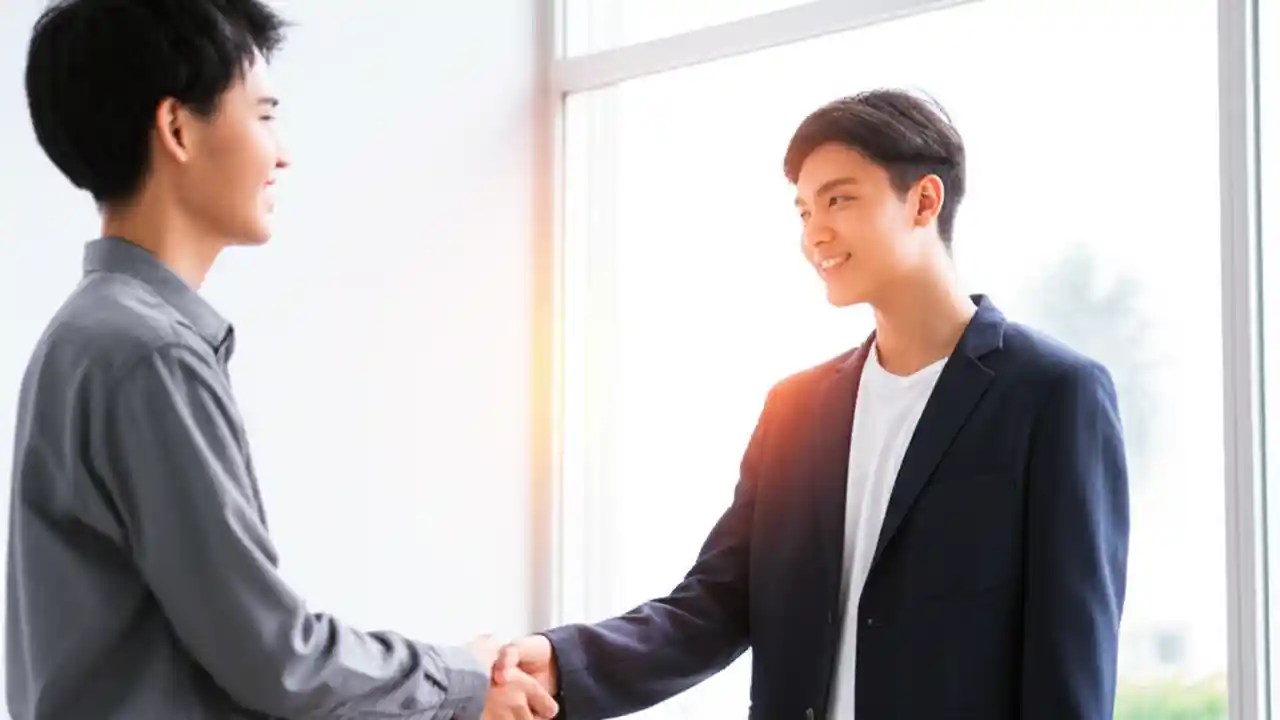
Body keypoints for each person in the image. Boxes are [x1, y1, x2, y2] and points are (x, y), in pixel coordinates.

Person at [494, 89, 1130, 719]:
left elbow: (1069, 656)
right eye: (803, 211)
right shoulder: (795, 408)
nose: (814, 233)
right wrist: (561, 661)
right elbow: (716, 602)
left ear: (924, 200)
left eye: (840, 199)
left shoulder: (1052, 395)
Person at [8, 2, 556, 718]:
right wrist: (461, 680)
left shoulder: (89, 336)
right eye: (264, 115)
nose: (284, 151)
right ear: (177, 128)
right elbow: (277, 658)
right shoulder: (149, 354)